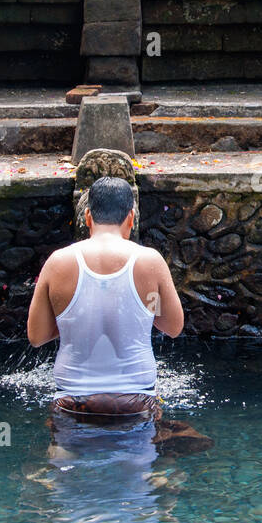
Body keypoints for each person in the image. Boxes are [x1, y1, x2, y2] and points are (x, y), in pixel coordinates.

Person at [27, 176, 186, 425]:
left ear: (88, 216)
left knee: (65, 459)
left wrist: (75, 319)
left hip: (72, 403)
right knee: (143, 461)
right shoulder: (150, 261)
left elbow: (36, 336)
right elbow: (173, 328)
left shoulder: (58, 261)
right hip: (136, 403)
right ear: (131, 217)